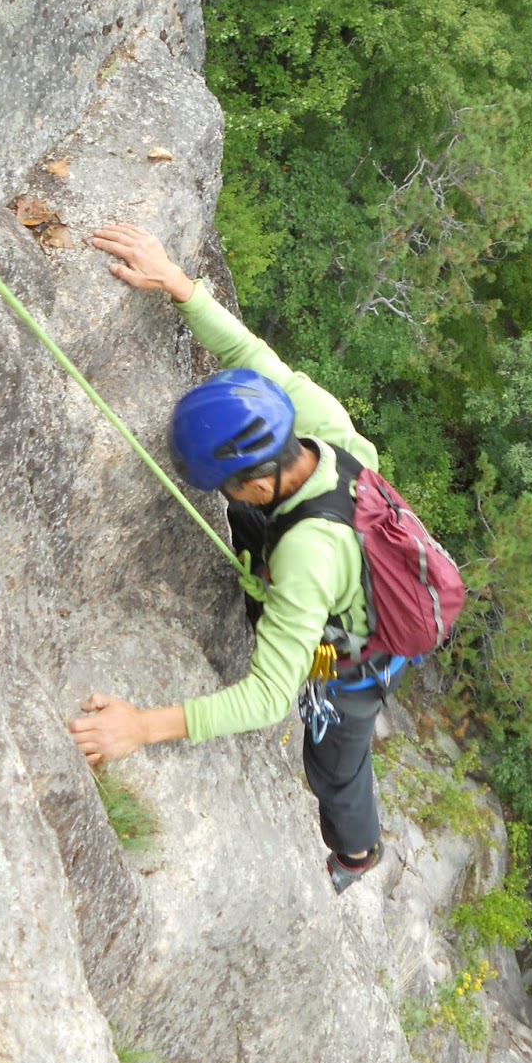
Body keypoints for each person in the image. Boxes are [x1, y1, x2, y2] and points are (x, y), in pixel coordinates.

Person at [67, 223, 404, 892]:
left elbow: (267, 698)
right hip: (350, 565)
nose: (224, 498)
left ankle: (359, 850)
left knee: (330, 762)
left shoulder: (308, 557)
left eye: (225, 487)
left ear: (253, 480)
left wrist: (141, 726)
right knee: (258, 532)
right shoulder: (317, 425)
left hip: (353, 653)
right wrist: (176, 284)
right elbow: (250, 354)